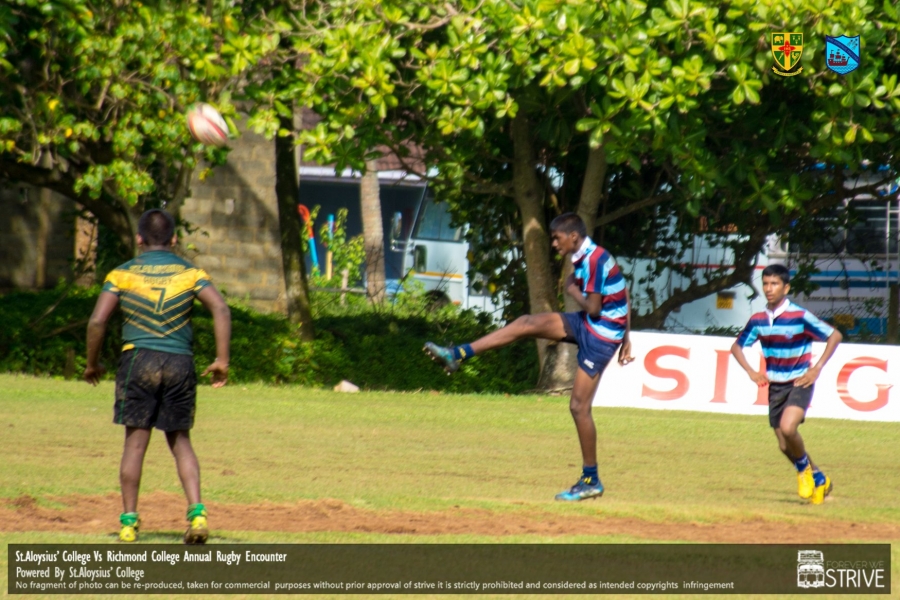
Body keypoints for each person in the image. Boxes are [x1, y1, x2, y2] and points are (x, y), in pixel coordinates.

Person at [424, 212, 633, 501]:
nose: (554, 244)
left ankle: (591, 480)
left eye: (557, 238)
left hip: (601, 334)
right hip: (591, 323)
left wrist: (572, 289)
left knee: (578, 407)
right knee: (526, 323)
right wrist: (629, 336)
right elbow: (623, 291)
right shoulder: (584, 255)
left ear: (573, 236)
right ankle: (457, 353)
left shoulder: (595, 259)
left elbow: (596, 309)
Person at [83, 209, 231, 543]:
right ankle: (197, 516)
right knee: (181, 442)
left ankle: (129, 524)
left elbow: (97, 322)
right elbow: (220, 308)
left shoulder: (122, 274)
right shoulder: (191, 273)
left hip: (138, 361)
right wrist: (222, 359)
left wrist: (92, 364)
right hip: (180, 363)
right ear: (174, 239)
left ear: (138, 238)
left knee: (135, 445)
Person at [730, 263, 841, 504]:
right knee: (783, 445)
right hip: (776, 386)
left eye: (775, 284)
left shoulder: (799, 315)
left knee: (789, 428)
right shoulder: (759, 319)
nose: (769, 289)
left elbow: (835, 335)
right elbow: (736, 347)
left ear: (786, 287)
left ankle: (804, 471)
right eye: (766, 284)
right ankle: (820, 478)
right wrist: (751, 371)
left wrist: (816, 368)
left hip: (800, 381)